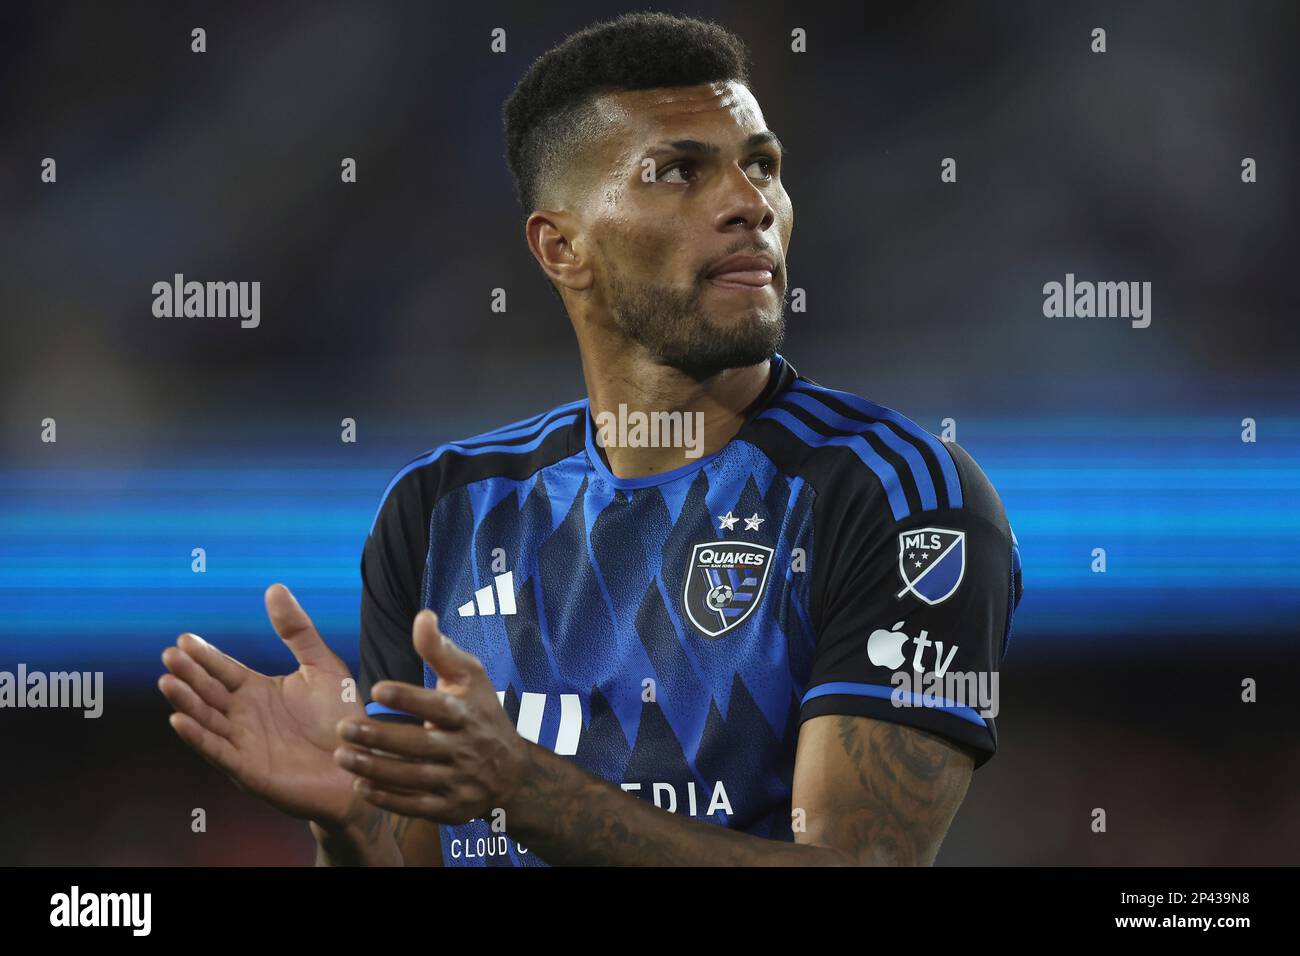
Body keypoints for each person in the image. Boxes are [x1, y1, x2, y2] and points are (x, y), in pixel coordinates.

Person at [158, 11, 1022, 867]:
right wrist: (351, 823)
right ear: (560, 247)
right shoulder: (441, 511)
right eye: (678, 172)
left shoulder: (899, 497)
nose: (750, 205)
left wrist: (522, 788)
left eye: (761, 166)